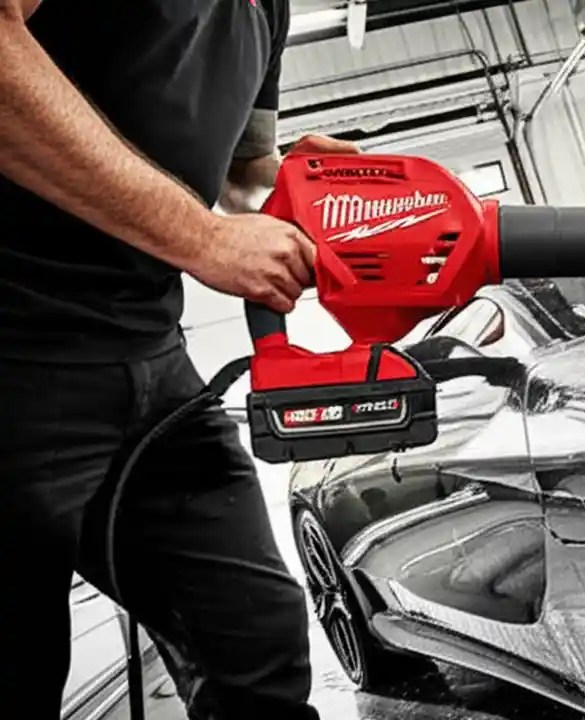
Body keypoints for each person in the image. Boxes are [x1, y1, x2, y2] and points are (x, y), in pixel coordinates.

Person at [0, 0, 359, 717]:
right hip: (16, 346)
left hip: (148, 356)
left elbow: (244, 175)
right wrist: (200, 240)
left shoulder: (268, 9)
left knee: (254, 642)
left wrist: (301, 186)